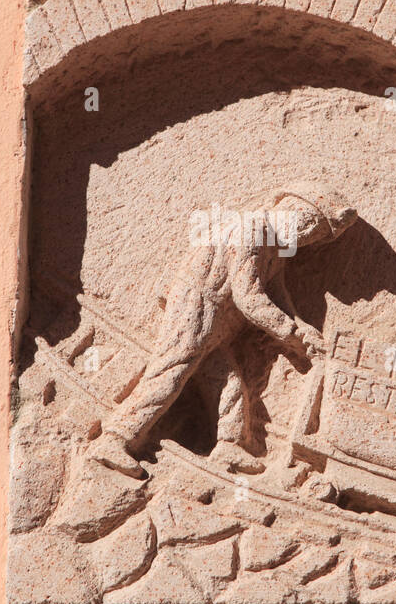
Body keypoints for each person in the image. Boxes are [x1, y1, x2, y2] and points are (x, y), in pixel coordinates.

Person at [87, 182, 357, 477]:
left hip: (220, 317)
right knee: (172, 371)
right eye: (312, 227)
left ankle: (229, 446)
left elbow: (276, 291)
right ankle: (115, 438)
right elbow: (248, 296)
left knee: (225, 377)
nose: (307, 238)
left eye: (315, 235)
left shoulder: (276, 247)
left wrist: (302, 327)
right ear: (296, 211)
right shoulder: (252, 229)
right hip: (199, 305)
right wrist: (292, 336)